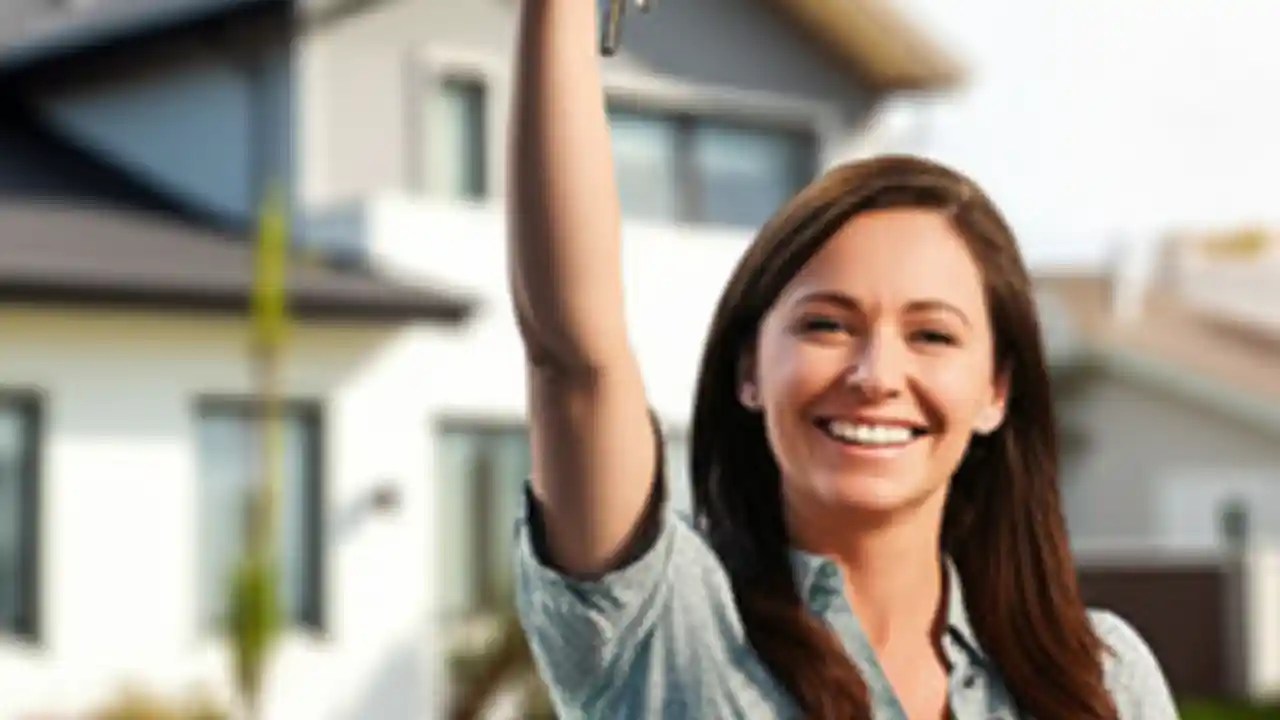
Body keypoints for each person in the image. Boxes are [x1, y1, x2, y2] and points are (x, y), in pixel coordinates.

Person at [504, 1, 1179, 718]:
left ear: (996, 390)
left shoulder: (1100, 678)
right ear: (749, 371)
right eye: (827, 326)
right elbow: (572, 360)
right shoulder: (662, 632)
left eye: (932, 335)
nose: (876, 376)